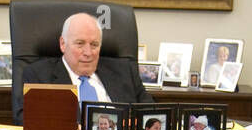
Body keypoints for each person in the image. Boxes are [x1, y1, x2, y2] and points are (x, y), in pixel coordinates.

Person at [13, 11, 151, 124]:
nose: (88, 52)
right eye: (80, 44)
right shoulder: (38, 75)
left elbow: (151, 113)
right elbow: (24, 120)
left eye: (94, 45)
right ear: (63, 44)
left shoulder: (124, 71)